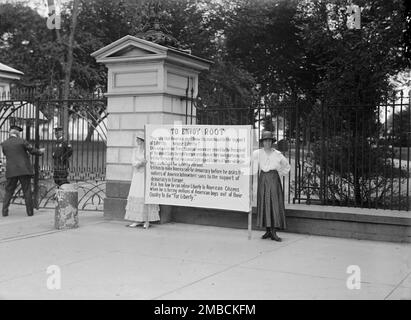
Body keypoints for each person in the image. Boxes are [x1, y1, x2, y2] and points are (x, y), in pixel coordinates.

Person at [253, 130, 291, 241]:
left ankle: (274, 231)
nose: (267, 143)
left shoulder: (277, 154)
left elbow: (287, 166)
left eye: (269, 141)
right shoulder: (257, 153)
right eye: (265, 141)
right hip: (263, 178)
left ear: (272, 142)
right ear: (262, 142)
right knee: (264, 203)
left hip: (274, 179)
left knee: (274, 203)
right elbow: (250, 165)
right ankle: (268, 230)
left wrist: (280, 172)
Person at [1, 125, 45, 217]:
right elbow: (32, 150)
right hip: (23, 170)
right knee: (27, 190)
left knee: (9, 191)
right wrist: (40, 152)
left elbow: (5, 154)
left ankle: (4, 211)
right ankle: (29, 212)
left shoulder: (4, 143)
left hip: (11, 171)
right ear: (17, 133)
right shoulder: (21, 141)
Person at [125, 131, 160, 229]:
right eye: (137, 140)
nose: (137, 142)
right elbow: (133, 162)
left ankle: (146, 220)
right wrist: (139, 163)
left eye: (139, 140)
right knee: (136, 194)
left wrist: (144, 162)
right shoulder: (135, 151)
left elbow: (149, 161)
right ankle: (137, 219)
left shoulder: (147, 151)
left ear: (143, 141)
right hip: (137, 175)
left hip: (145, 176)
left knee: (144, 195)